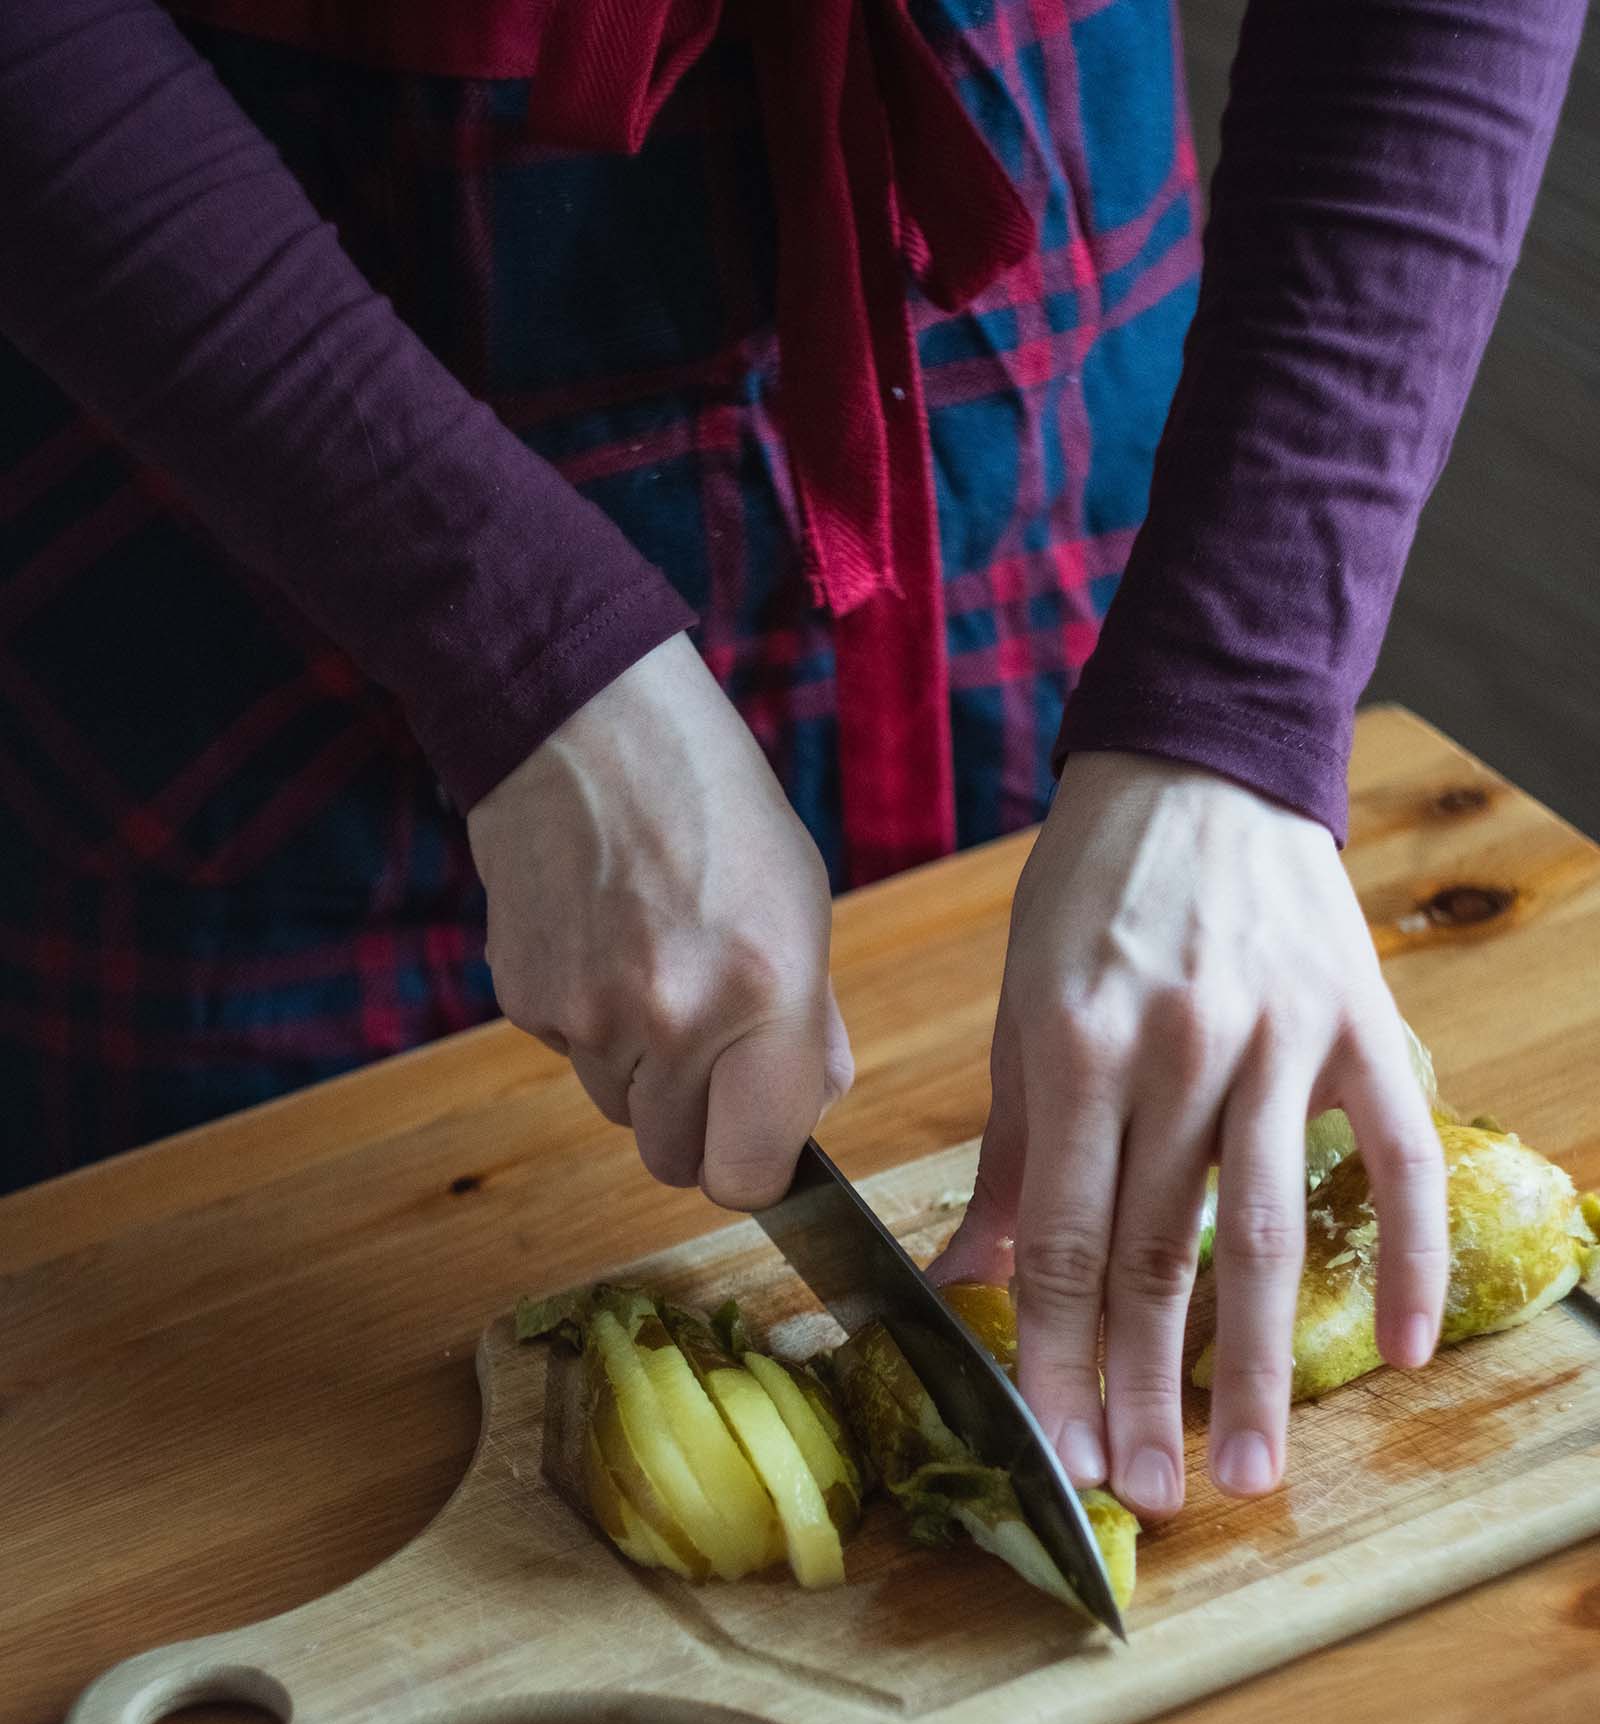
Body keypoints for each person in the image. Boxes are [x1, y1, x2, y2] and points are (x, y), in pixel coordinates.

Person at [0, 0, 1583, 1523]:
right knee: (191, 1462)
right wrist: (512, 653)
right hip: (257, 409)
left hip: (1019, 391)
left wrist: (1231, 702)